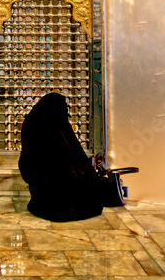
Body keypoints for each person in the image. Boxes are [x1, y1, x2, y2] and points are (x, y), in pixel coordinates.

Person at [18, 92, 104, 221]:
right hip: (61, 195)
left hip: (40, 196)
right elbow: (74, 157)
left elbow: (27, 163)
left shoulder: (32, 122)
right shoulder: (58, 126)